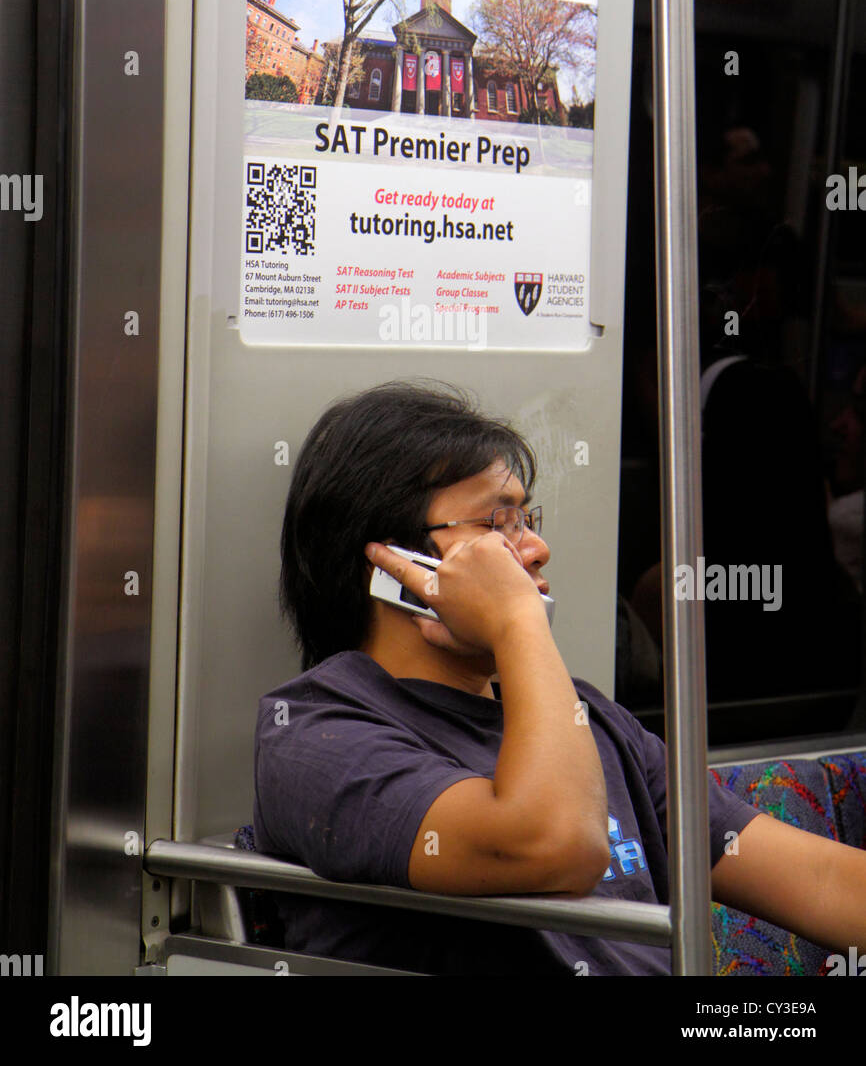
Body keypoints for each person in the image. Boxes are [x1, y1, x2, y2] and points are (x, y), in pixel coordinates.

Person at [253, 381, 866, 976]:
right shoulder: (318, 736)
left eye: (527, 518)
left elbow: (820, 881)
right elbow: (557, 844)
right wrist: (519, 621)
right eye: (497, 526)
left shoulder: (587, 719)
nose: (537, 548)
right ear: (395, 567)